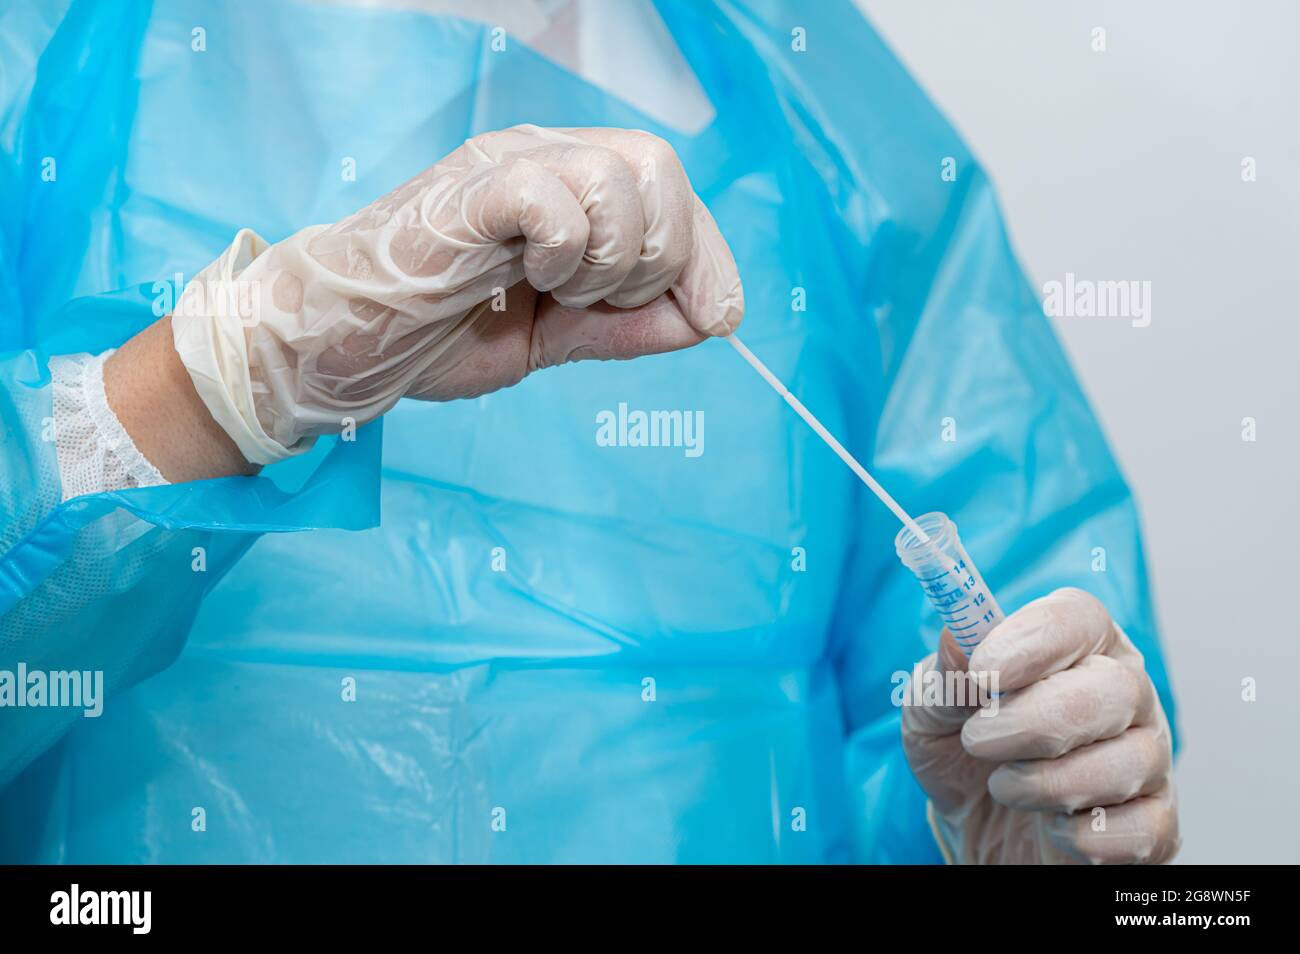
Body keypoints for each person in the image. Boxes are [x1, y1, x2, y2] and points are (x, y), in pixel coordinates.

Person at [0, 0, 1177, 863]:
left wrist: (993, 836)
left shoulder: (834, 134)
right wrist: (222, 379)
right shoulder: (47, 66)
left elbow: (984, 711)